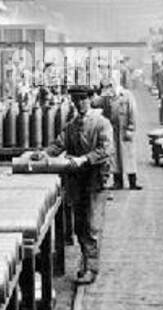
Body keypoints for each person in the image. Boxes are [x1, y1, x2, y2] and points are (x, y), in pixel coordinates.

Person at [38, 84, 114, 285]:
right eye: (75, 100)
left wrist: (84, 159)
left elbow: (106, 149)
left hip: (96, 180)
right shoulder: (72, 125)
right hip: (77, 181)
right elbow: (59, 144)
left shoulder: (101, 123)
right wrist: (45, 153)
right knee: (80, 225)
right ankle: (85, 261)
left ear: (89, 99)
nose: (79, 104)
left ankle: (91, 268)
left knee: (92, 225)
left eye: (82, 99)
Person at [102, 71, 141, 190]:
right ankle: (117, 182)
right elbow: (102, 110)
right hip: (114, 131)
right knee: (115, 157)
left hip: (125, 131)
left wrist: (131, 128)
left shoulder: (127, 95)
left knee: (129, 156)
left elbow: (133, 112)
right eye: (107, 86)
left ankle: (133, 182)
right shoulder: (108, 97)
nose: (109, 88)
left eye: (110, 85)